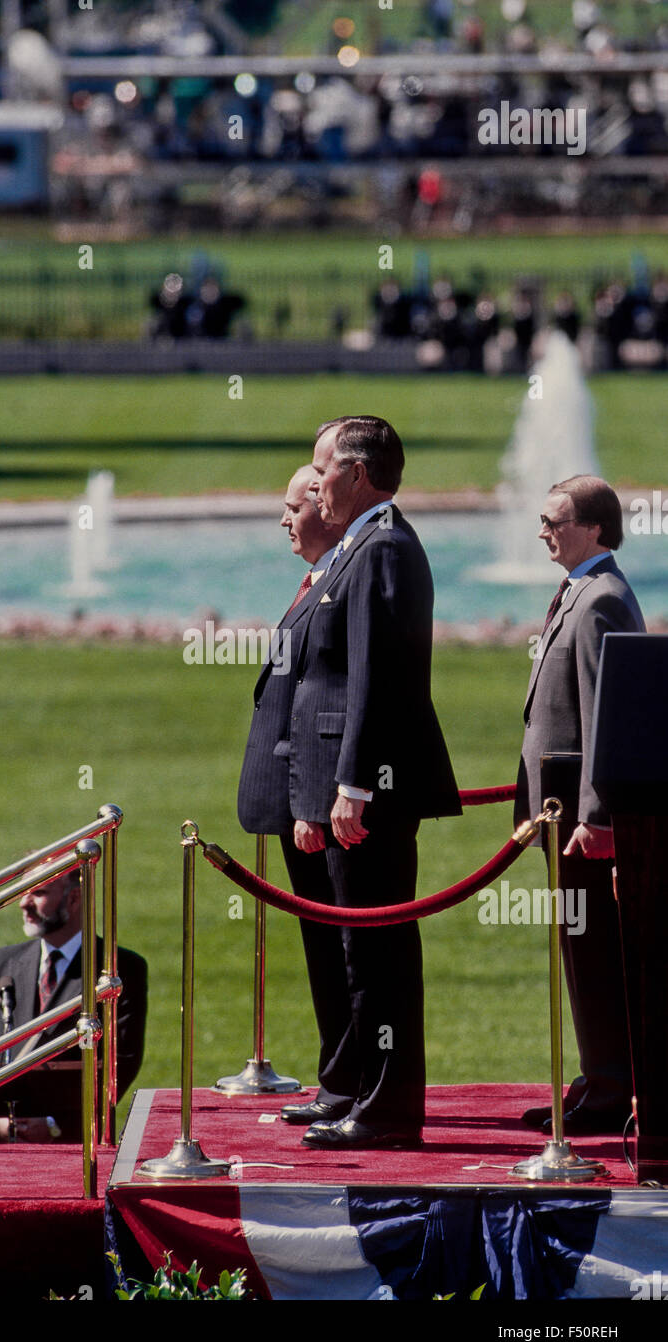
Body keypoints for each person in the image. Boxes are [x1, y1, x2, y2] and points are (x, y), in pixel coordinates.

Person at [241, 417, 460, 1149]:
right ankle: (356, 1088)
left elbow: (379, 679)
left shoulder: (383, 547)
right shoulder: (359, 547)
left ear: (356, 474)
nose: (313, 483)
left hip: (364, 792)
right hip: (340, 786)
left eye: (321, 469)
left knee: (378, 956)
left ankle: (389, 1107)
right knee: (352, 954)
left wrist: (355, 785)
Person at [516, 475, 645, 1136]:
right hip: (561, 812)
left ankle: (610, 1086)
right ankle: (599, 1074)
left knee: (593, 950)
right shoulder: (584, 592)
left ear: (593, 528)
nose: (542, 531)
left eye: (554, 520)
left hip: (581, 820)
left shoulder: (599, 600)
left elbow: (605, 717)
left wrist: (597, 818)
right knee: (578, 945)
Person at [0, 865, 147, 1164]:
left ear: (74, 899)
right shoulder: (3, 962)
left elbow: (119, 1065)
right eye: (22, 893)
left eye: (38, 893)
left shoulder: (119, 968)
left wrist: (52, 1124)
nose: (24, 903)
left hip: (74, 1151)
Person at [238, 464, 345, 836]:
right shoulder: (319, 576)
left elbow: (333, 702)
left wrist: (314, 807)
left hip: (322, 811)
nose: (284, 521)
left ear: (327, 513)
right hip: (300, 805)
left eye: (295, 509)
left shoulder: (342, 582)